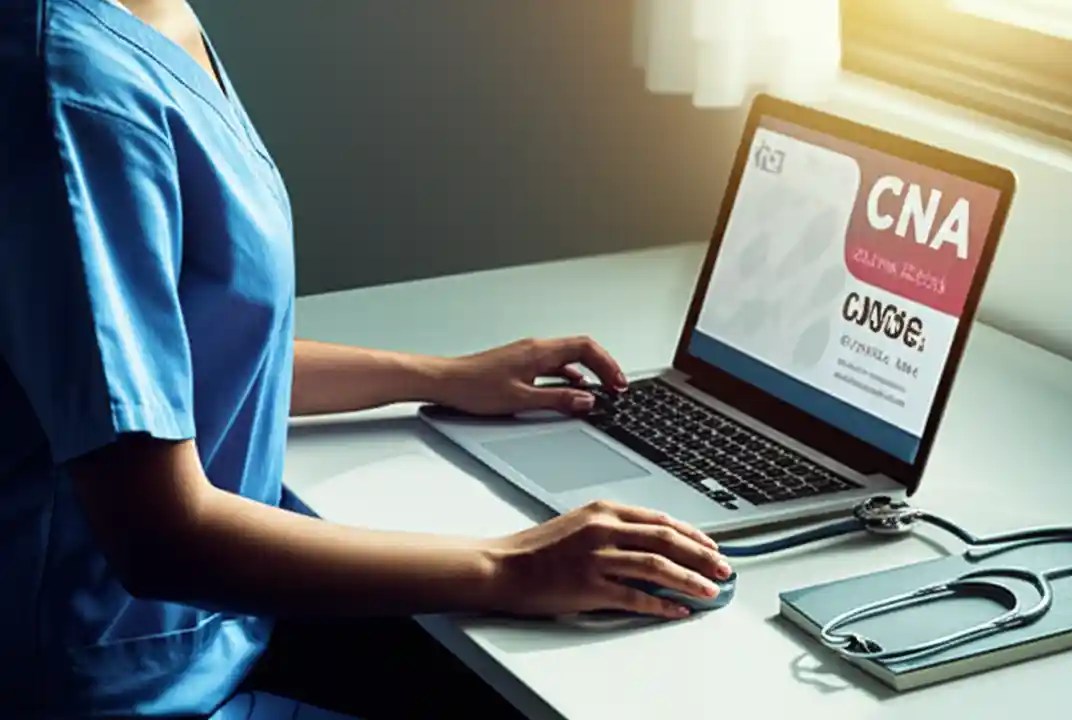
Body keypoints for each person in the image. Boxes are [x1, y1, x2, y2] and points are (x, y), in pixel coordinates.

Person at [0, 0, 733, 717]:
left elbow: (175, 345)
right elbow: (159, 537)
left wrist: (439, 378)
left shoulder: (149, 16)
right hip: (115, 686)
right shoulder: (71, 86)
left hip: (214, 644)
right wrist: (511, 565)